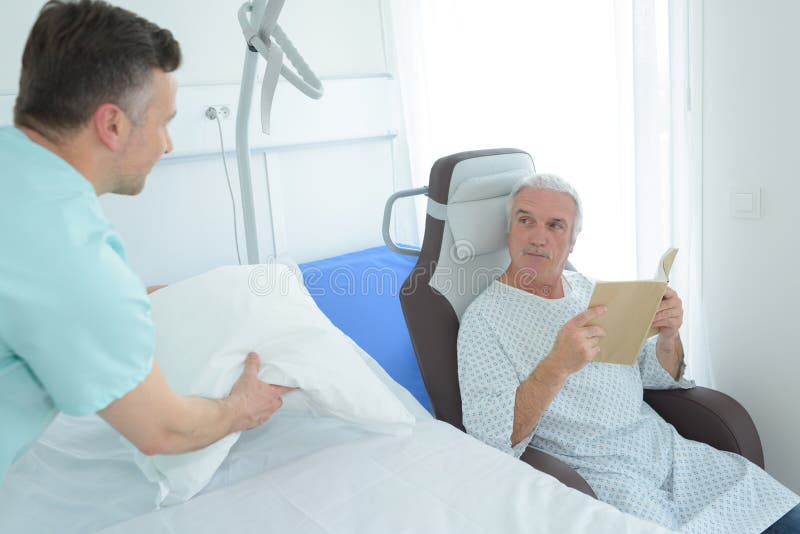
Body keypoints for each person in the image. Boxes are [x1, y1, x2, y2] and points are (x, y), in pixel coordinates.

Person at [0, 0, 293, 482]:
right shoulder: (73, 257)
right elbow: (164, 430)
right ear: (112, 125)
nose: (168, 144)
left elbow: (34, 297)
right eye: (164, 121)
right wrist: (242, 407)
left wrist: (155, 298)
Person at [457, 173, 800, 532]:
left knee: (782, 516)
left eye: (556, 226)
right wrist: (555, 367)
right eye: (525, 220)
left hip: (672, 457)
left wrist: (669, 337)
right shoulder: (484, 322)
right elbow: (491, 440)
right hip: (605, 478)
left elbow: (656, 374)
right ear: (509, 229)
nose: (538, 237)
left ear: (572, 243)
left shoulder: (592, 291)